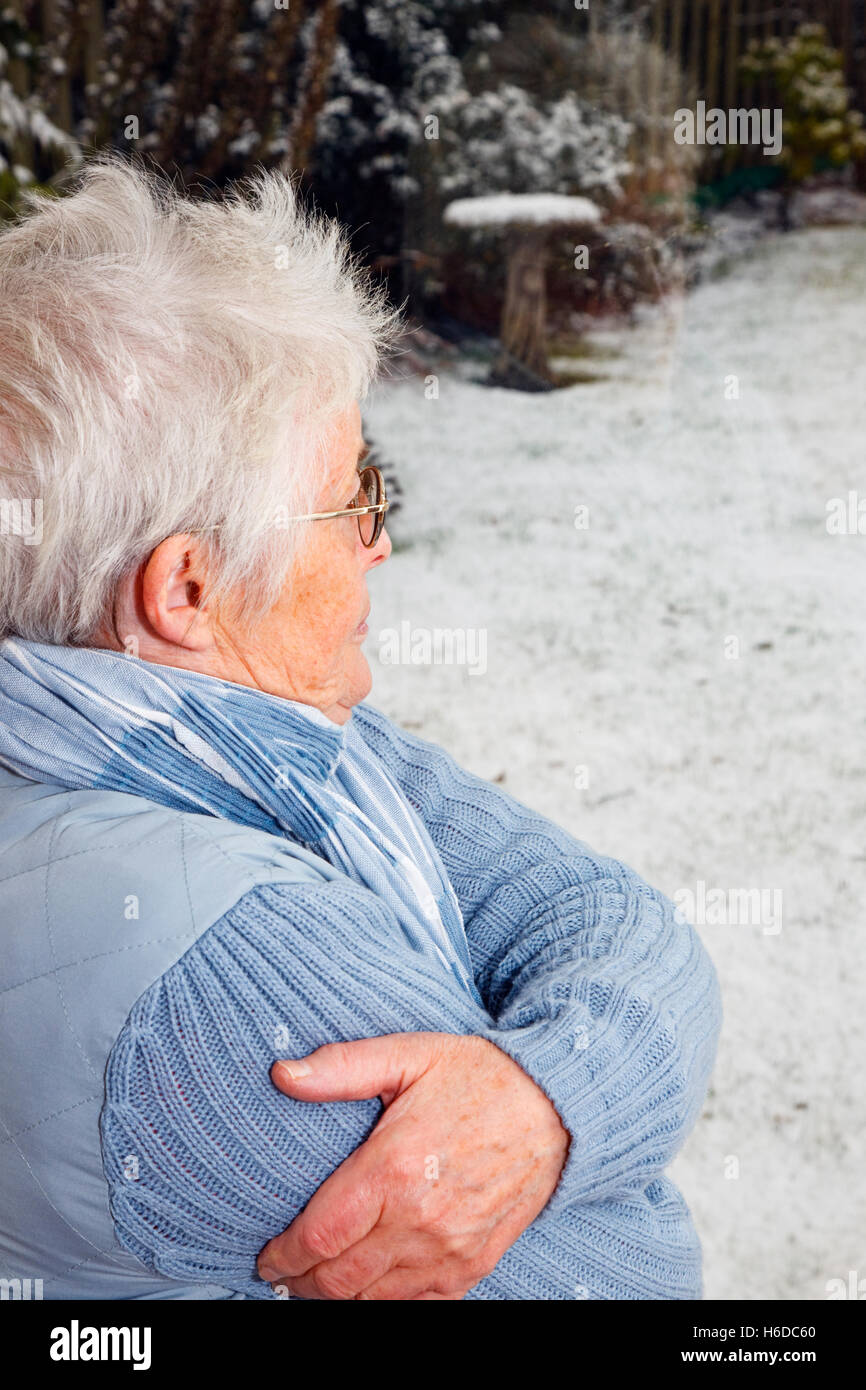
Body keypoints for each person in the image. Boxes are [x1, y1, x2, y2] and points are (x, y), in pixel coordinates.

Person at [0, 154, 722, 1300]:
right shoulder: (210, 970)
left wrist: (549, 1101)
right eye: (351, 501)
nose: (379, 541)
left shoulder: (265, 733)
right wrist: (586, 1093)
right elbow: (635, 1276)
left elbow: (606, 913)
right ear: (185, 590)